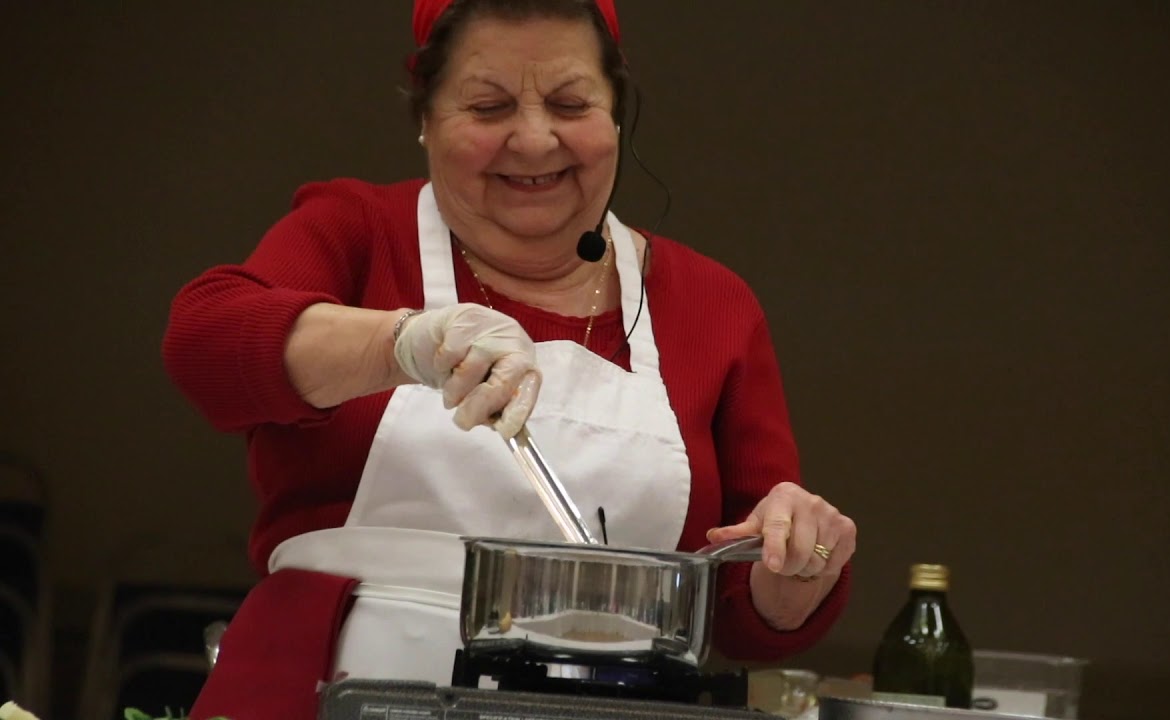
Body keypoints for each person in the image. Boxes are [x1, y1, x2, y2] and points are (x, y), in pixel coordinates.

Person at [162, 0, 858, 717]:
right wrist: (398, 344)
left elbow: (744, 605)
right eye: (489, 106)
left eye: (570, 103)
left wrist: (796, 564)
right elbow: (205, 342)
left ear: (618, 114)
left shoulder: (709, 303)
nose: (533, 140)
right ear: (426, 118)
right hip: (317, 693)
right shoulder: (359, 232)